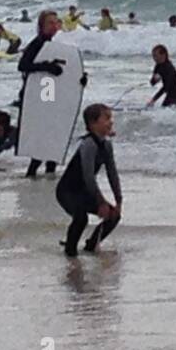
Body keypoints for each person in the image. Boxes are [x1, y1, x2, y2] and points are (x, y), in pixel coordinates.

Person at [18, 9, 83, 177]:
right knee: (43, 136)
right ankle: (33, 174)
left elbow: (64, 70)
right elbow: (23, 65)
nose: (54, 26)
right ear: (41, 26)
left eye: (56, 22)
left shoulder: (54, 46)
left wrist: (79, 79)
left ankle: (49, 174)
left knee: (53, 133)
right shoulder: (38, 43)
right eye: (50, 23)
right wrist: (46, 66)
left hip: (50, 93)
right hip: (39, 95)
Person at [55, 104, 122, 256]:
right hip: (67, 191)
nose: (111, 122)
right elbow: (88, 177)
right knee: (80, 218)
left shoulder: (106, 145)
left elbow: (112, 173)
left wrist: (119, 200)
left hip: (84, 192)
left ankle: (91, 245)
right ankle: (70, 252)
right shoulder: (88, 145)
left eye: (111, 118)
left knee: (114, 216)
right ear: (93, 124)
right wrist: (101, 202)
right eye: (106, 118)